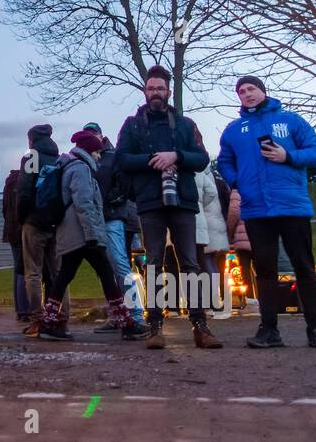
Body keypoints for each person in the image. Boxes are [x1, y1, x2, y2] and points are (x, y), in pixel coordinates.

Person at [218, 76, 316, 348]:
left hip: (292, 205)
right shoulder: (234, 130)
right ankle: (269, 331)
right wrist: (237, 182)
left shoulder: (292, 121)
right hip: (257, 210)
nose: (247, 94)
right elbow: (224, 161)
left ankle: (315, 329)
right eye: (242, 91)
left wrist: (288, 156)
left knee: (303, 267)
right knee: (264, 271)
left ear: (263, 91)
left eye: (251, 89)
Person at [116, 65, 220, 350]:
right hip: (150, 202)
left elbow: (201, 159)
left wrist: (176, 155)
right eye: (151, 89)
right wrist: (154, 158)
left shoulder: (186, 125)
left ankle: (201, 326)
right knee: (153, 263)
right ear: (144, 91)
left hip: (183, 201)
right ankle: (154, 327)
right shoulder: (133, 125)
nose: (155, 94)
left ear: (168, 92)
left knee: (190, 263)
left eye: (160, 89)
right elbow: (122, 159)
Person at [39, 132, 147, 341]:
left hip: (71, 232)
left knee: (65, 276)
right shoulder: (80, 169)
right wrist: (92, 234)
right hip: (83, 234)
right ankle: (126, 322)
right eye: (97, 152)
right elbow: (85, 204)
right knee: (106, 274)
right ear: (89, 151)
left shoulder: (69, 166)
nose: (99, 157)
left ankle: (49, 321)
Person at [16, 124, 69, 337]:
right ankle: (62, 317)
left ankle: (36, 320)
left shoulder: (31, 158)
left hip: (34, 222)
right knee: (59, 274)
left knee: (33, 273)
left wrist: (23, 217)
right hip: (56, 223)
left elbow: (24, 190)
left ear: (31, 140)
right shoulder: (60, 159)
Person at [89, 125, 142, 332]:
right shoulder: (88, 160)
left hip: (113, 217)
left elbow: (125, 185)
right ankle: (117, 314)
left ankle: (135, 313)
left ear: (102, 136)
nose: (92, 137)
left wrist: (111, 202)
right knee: (106, 270)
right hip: (97, 220)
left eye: (94, 133)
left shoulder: (113, 157)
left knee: (120, 264)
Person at [194, 169, 231, 318]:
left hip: (204, 222)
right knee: (217, 264)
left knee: (205, 262)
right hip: (218, 224)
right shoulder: (217, 178)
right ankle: (219, 300)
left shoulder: (197, 173)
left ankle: (211, 302)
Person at [2, 168, 30, 323]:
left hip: (11, 231)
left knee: (18, 270)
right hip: (22, 230)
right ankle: (25, 309)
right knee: (25, 270)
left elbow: (4, 209)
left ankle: (20, 309)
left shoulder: (9, 182)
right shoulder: (23, 182)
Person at [225, 188, 256, 306]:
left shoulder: (237, 190)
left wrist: (230, 232)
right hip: (260, 234)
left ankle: (250, 299)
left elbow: (234, 213)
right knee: (262, 270)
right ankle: (265, 299)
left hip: (243, 236)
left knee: (245, 270)